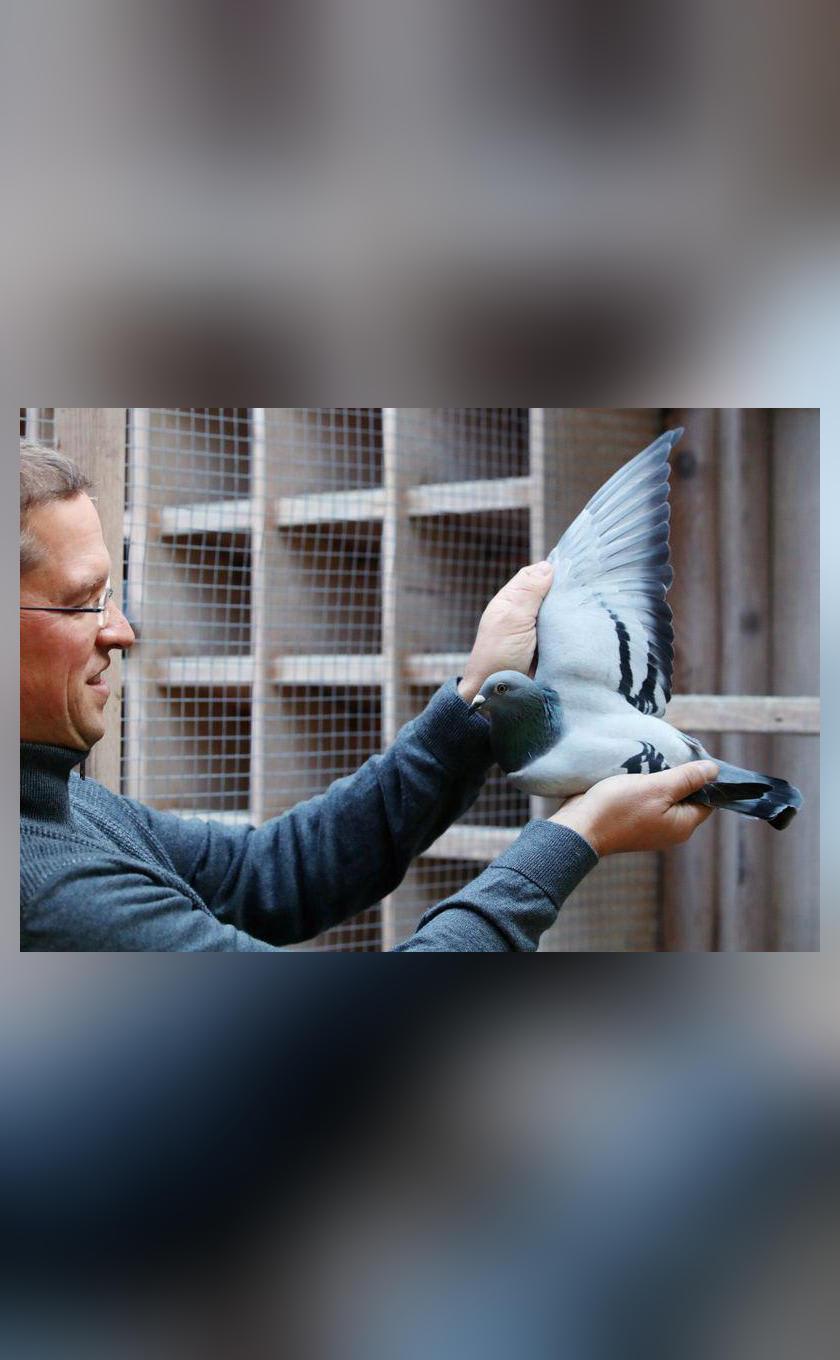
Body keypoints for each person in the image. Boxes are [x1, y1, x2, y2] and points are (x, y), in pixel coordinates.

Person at [19, 442, 717, 952]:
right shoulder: (51, 892)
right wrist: (573, 838)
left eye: (111, 594)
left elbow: (271, 874)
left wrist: (475, 701)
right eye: (82, 603)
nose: (122, 631)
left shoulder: (69, 803)